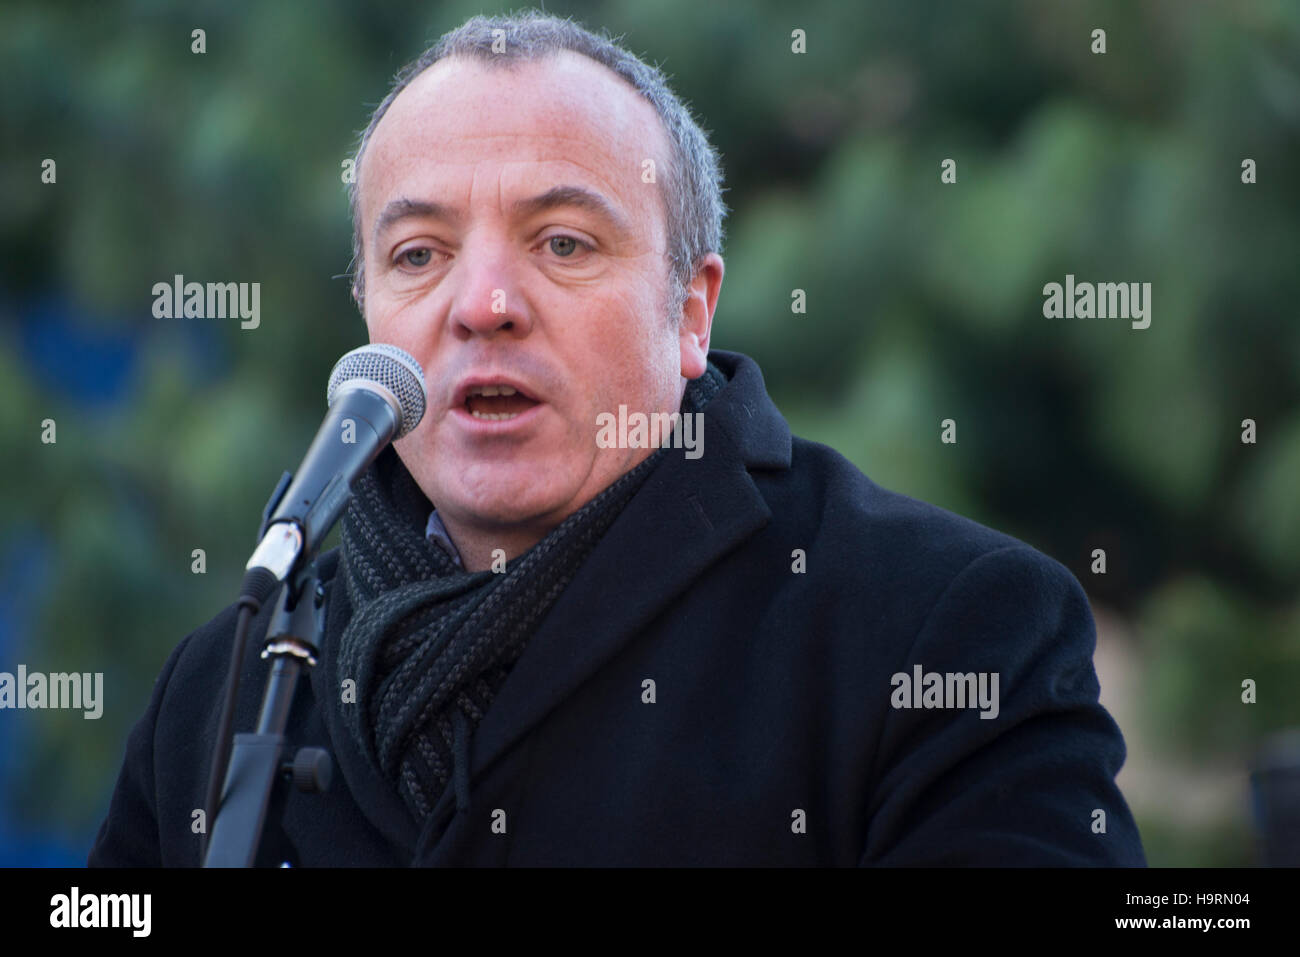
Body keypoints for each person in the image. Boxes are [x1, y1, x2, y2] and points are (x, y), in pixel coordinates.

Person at [88, 10, 1145, 867]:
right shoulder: (234, 675)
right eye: (418, 254)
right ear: (367, 310)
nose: (483, 302)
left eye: (562, 242)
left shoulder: (941, 627)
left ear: (691, 311)